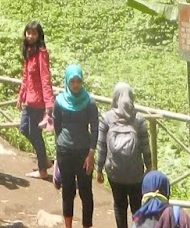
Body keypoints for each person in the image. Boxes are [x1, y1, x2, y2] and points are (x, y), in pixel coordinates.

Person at [96, 82, 153, 228]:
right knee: (137, 206)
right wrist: (149, 167)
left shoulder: (107, 118)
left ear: (114, 98)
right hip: (135, 173)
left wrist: (99, 169)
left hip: (115, 172)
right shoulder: (138, 119)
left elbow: (101, 146)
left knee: (119, 206)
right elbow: (145, 147)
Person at [53, 63, 98, 228]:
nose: (76, 85)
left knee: (86, 192)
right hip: (65, 152)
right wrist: (60, 145)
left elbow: (94, 128)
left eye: (78, 81)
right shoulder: (59, 101)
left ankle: (87, 225)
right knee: (68, 191)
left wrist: (91, 153)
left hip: (84, 153)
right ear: (67, 81)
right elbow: (57, 126)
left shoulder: (89, 103)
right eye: (72, 81)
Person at [17, 21, 54, 181]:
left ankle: (42, 170)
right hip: (29, 100)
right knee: (24, 128)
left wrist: (49, 104)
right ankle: (44, 160)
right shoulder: (29, 52)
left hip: (38, 102)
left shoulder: (41, 53)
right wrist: (20, 96)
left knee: (35, 134)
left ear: (39, 35)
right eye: (28, 33)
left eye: (34, 33)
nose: (30, 36)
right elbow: (26, 78)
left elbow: (45, 79)